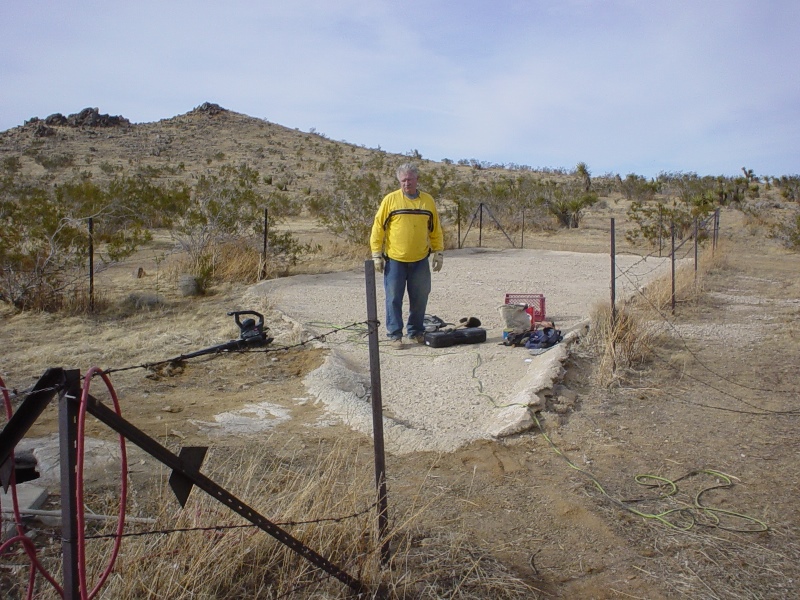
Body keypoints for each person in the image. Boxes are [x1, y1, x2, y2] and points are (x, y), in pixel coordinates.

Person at [370, 163, 444, 349]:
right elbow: (378, 227)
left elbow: (435, 228)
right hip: (395, 260)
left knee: (420, 297)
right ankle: (395, 335)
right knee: (394, 298)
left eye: (410, 179)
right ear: (399, 181)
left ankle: (416, 331)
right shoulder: (391, 200)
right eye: (403, 180)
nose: (406, 183)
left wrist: (438, 252)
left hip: (420, 260)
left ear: (417, 179)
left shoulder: (427, 201)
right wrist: (376, 254)